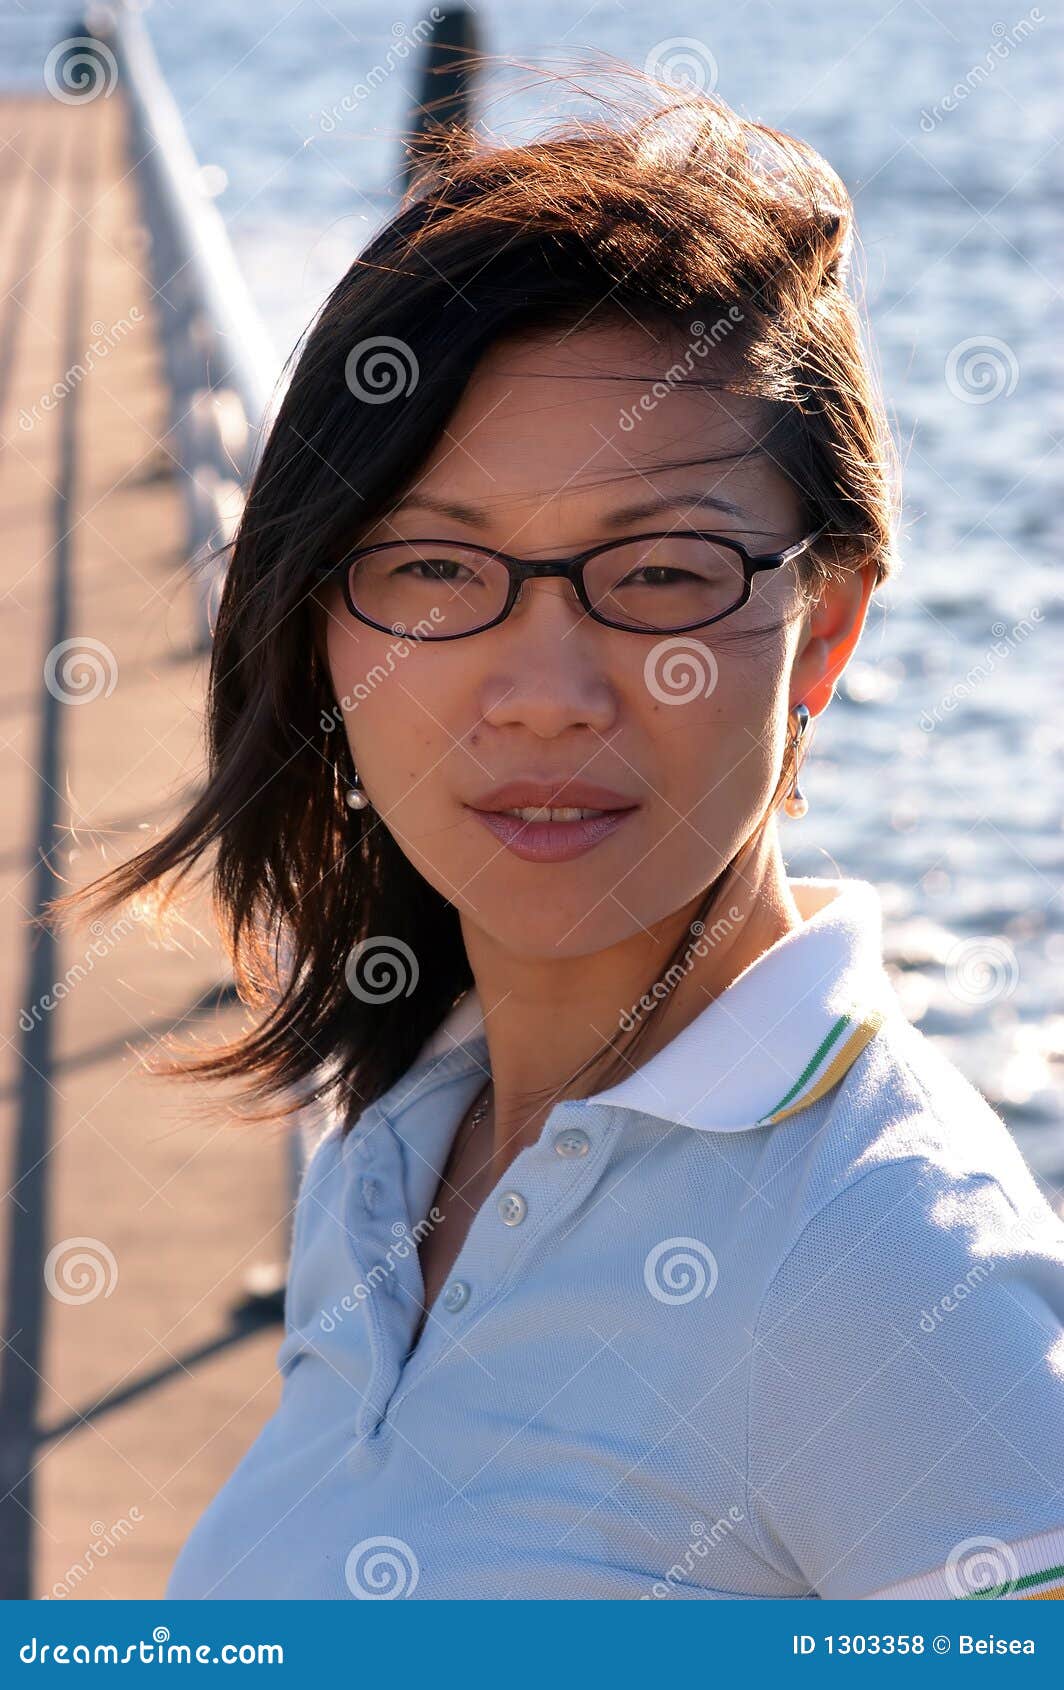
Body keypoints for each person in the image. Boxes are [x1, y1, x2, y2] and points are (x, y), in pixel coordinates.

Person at [53, 77, 1064, 1600]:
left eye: (660, 574)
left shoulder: (889, 1260)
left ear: (825, 632)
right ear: (323, 618)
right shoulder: (397, 1142)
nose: (541, 694)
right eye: (439, 569)